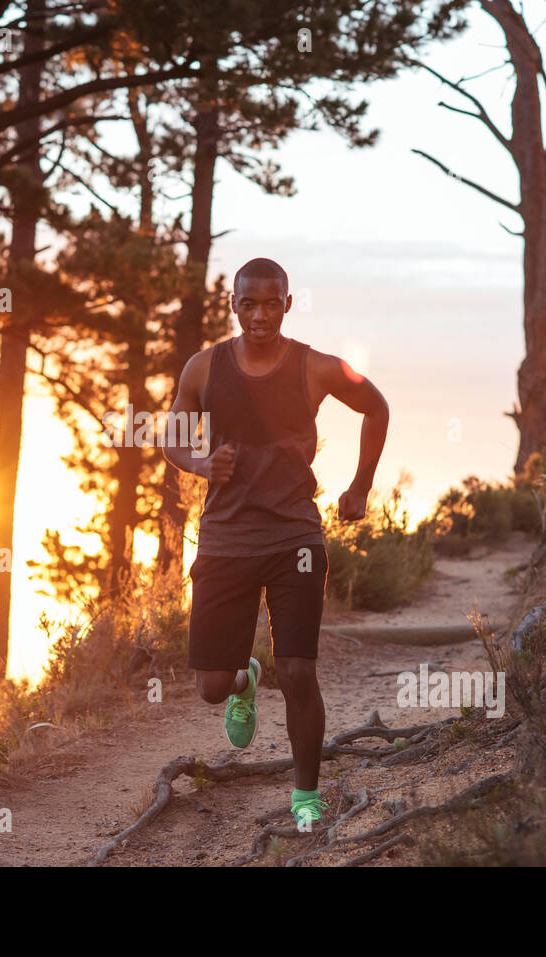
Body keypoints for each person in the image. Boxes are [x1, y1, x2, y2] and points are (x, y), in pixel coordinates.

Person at [162, 256, 389, 830]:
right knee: (213, 687)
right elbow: (172, 438)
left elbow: (376, 406)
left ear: (288, 305)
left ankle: (305, 797)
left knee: (298, 672)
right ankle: (244, 680)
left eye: (271, 303)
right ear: (233, 305)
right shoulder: (203, 368)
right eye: (248, 303)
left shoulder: (314, 367)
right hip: (225, 540)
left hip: (296, 538)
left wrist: (360, 486)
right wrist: (200, 463)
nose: (260, 314)